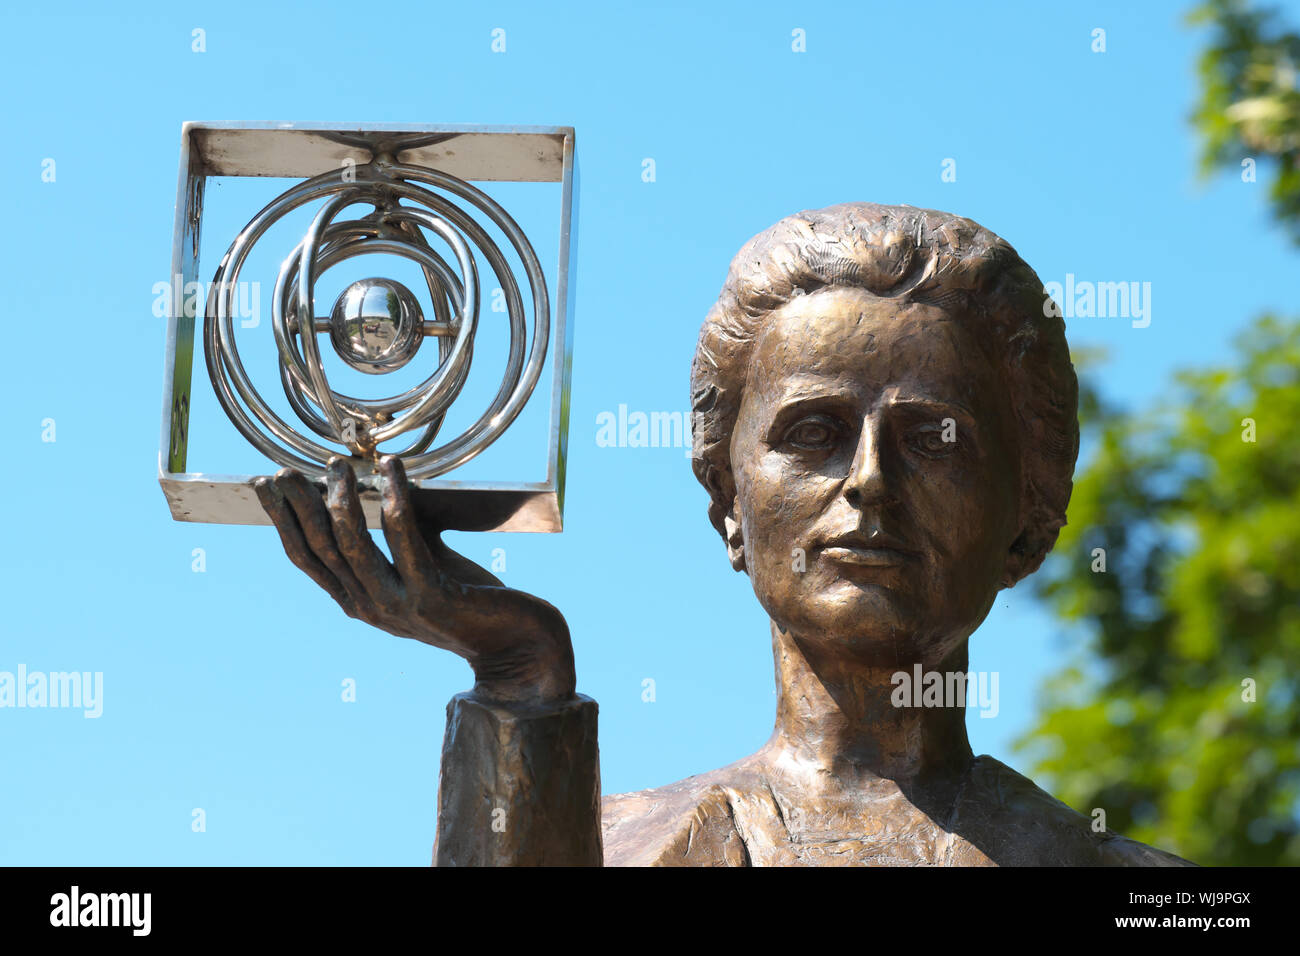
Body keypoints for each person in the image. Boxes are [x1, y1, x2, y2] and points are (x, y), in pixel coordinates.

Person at [255, 202, 1192, 866]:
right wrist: (521, 684)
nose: (869, 482)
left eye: (934, 439)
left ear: (1027, 518)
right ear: (727, 502)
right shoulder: (609, 850)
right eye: (813, 433)